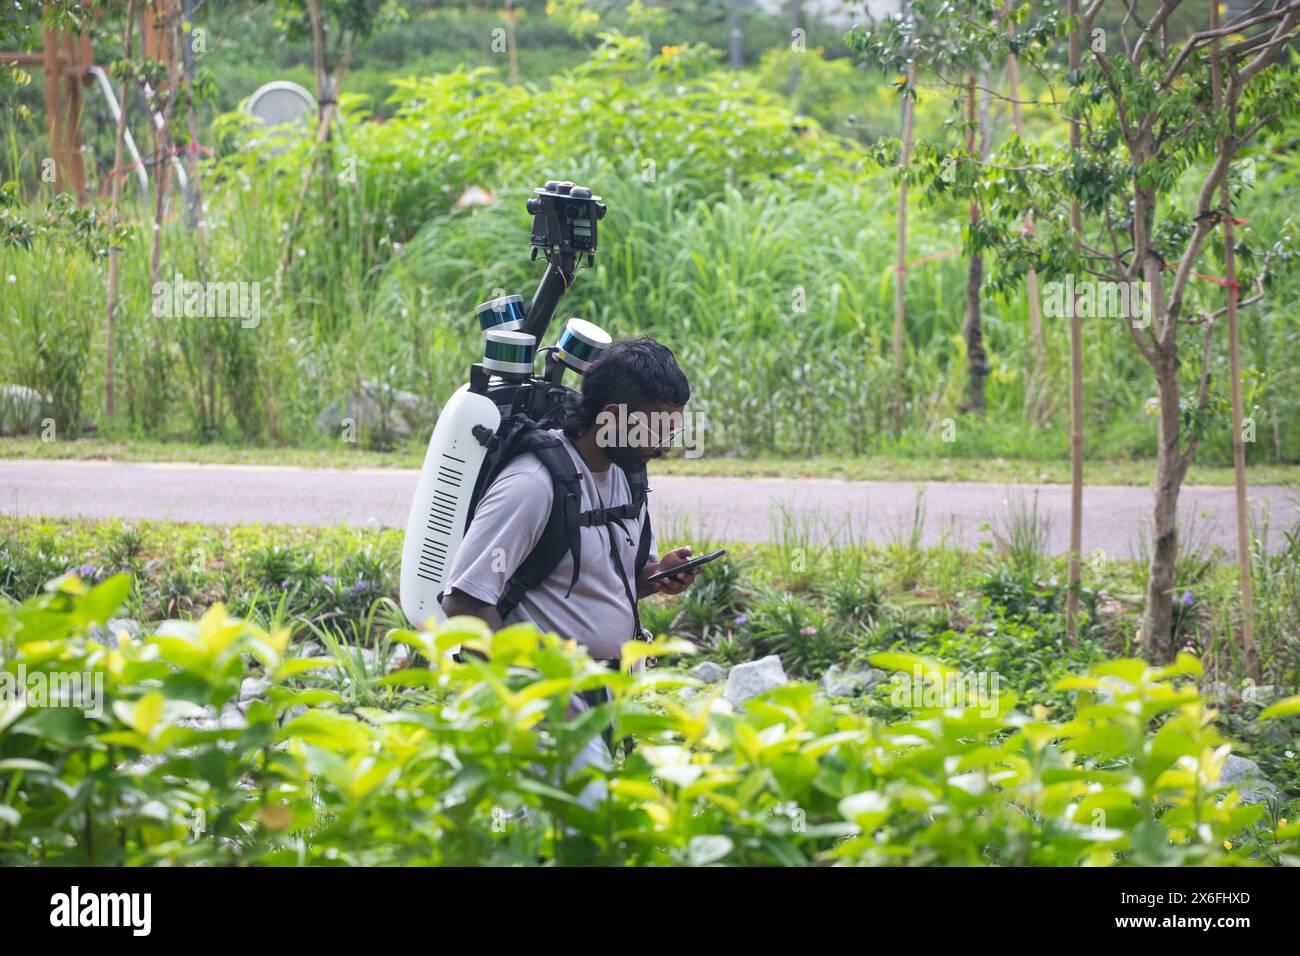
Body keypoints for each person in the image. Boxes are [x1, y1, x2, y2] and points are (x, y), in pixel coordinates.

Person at [441, 336, 700, 809]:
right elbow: (463, 600)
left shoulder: (627, 474)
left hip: (607, 695)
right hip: (552, 710)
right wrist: (534, 694)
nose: (664, 444)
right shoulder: (532, 485)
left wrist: (657, 574)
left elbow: (604, 577)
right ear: (609, 420)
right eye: (654, 429)